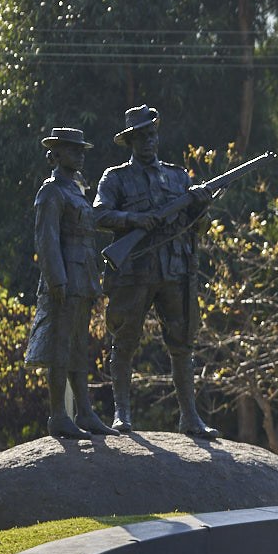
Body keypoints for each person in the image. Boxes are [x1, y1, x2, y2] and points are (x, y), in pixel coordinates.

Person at [94, 105, 216, 437]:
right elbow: (99, 215)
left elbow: (197, 227)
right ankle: (122, 414)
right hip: (133, 270)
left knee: (182, 344)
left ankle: (189, 417)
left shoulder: (178, 177)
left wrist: (201, 205)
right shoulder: (116, 177)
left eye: (152, 134)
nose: (149, 140)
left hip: (174, 268)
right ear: (131, 141)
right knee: (125, 341)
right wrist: (133, 220)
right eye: (141, 136)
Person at [25, 128, 113, 439]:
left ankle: (85, 412)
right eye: (73, 149)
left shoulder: (76, 190)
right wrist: (57, 281)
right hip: (65, 278)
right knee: (60, 347)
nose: (80, 154)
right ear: (56, 154)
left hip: (84, 276)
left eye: (81, 149)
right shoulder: (52, 191)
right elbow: (47, 239)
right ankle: (59, 415)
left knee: (79, 347)